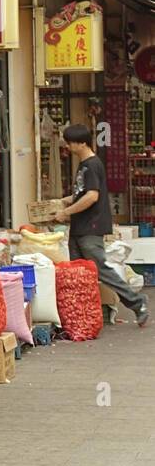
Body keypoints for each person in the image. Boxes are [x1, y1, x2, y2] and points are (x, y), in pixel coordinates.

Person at [54, 124, 148, 326]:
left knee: (101, 270)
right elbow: (83, 193)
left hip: (91, 227)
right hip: (80, 228)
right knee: (78, 274)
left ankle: (137, 302)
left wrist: (66, 212)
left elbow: (91, 196)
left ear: (81, 143)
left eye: (70, 142)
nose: (68, 146)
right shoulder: (83, 165)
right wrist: (66, 200)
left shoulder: (92, 165)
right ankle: (81, 317)